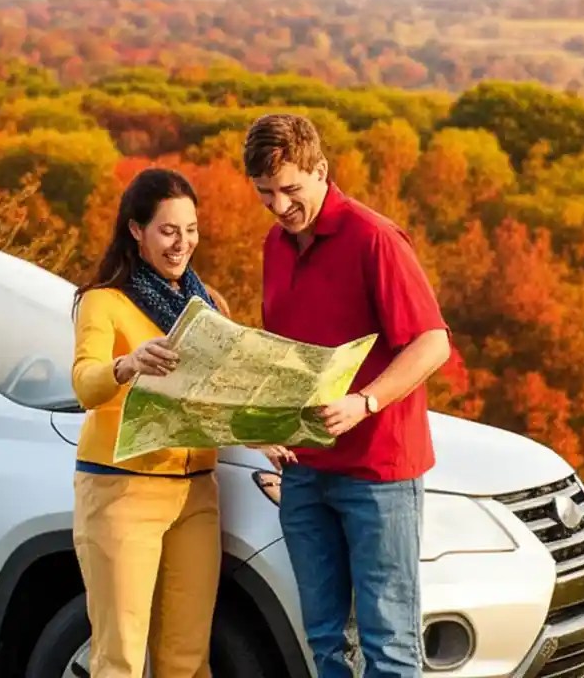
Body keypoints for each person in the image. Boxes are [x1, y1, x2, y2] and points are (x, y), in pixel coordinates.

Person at [243, 113, 451, 678]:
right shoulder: (274, 245)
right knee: (325, 643)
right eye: (265, 194)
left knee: (389, 645)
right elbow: (287, 354)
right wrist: (264, 425)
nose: (279, 206)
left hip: (378, 475)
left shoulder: (374, 238)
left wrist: (366, 402)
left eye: (290, 189)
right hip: (304, 473)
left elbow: (433, 343)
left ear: (321, 170)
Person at [69, 167, 231, 678]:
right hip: (121, 491)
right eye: (168, 230)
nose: (182, 243)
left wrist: (271, 434)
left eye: (191, 229)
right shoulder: (103, 301)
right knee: (119, 658)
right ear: (136, 230)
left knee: (188, 660)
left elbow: (225, 397)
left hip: (196, 493)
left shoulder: (211, 307)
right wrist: (127, 365)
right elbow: (85, 384)